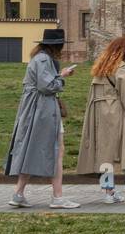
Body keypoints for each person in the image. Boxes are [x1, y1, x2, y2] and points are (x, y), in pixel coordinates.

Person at [77, 36, 125, 205]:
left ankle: (108, 191)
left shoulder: (100, 68)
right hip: (116, 112)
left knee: (104, 153)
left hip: (99, 114)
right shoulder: (121, 68)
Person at [6, 28, 78, 208]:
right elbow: (47, 86)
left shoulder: (38, 58)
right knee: (57, 150)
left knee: (33, 149)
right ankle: (57, 197)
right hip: (42, 110)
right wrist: (63, 76)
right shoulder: (44, 59)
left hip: (36, 109)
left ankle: (18, 193)